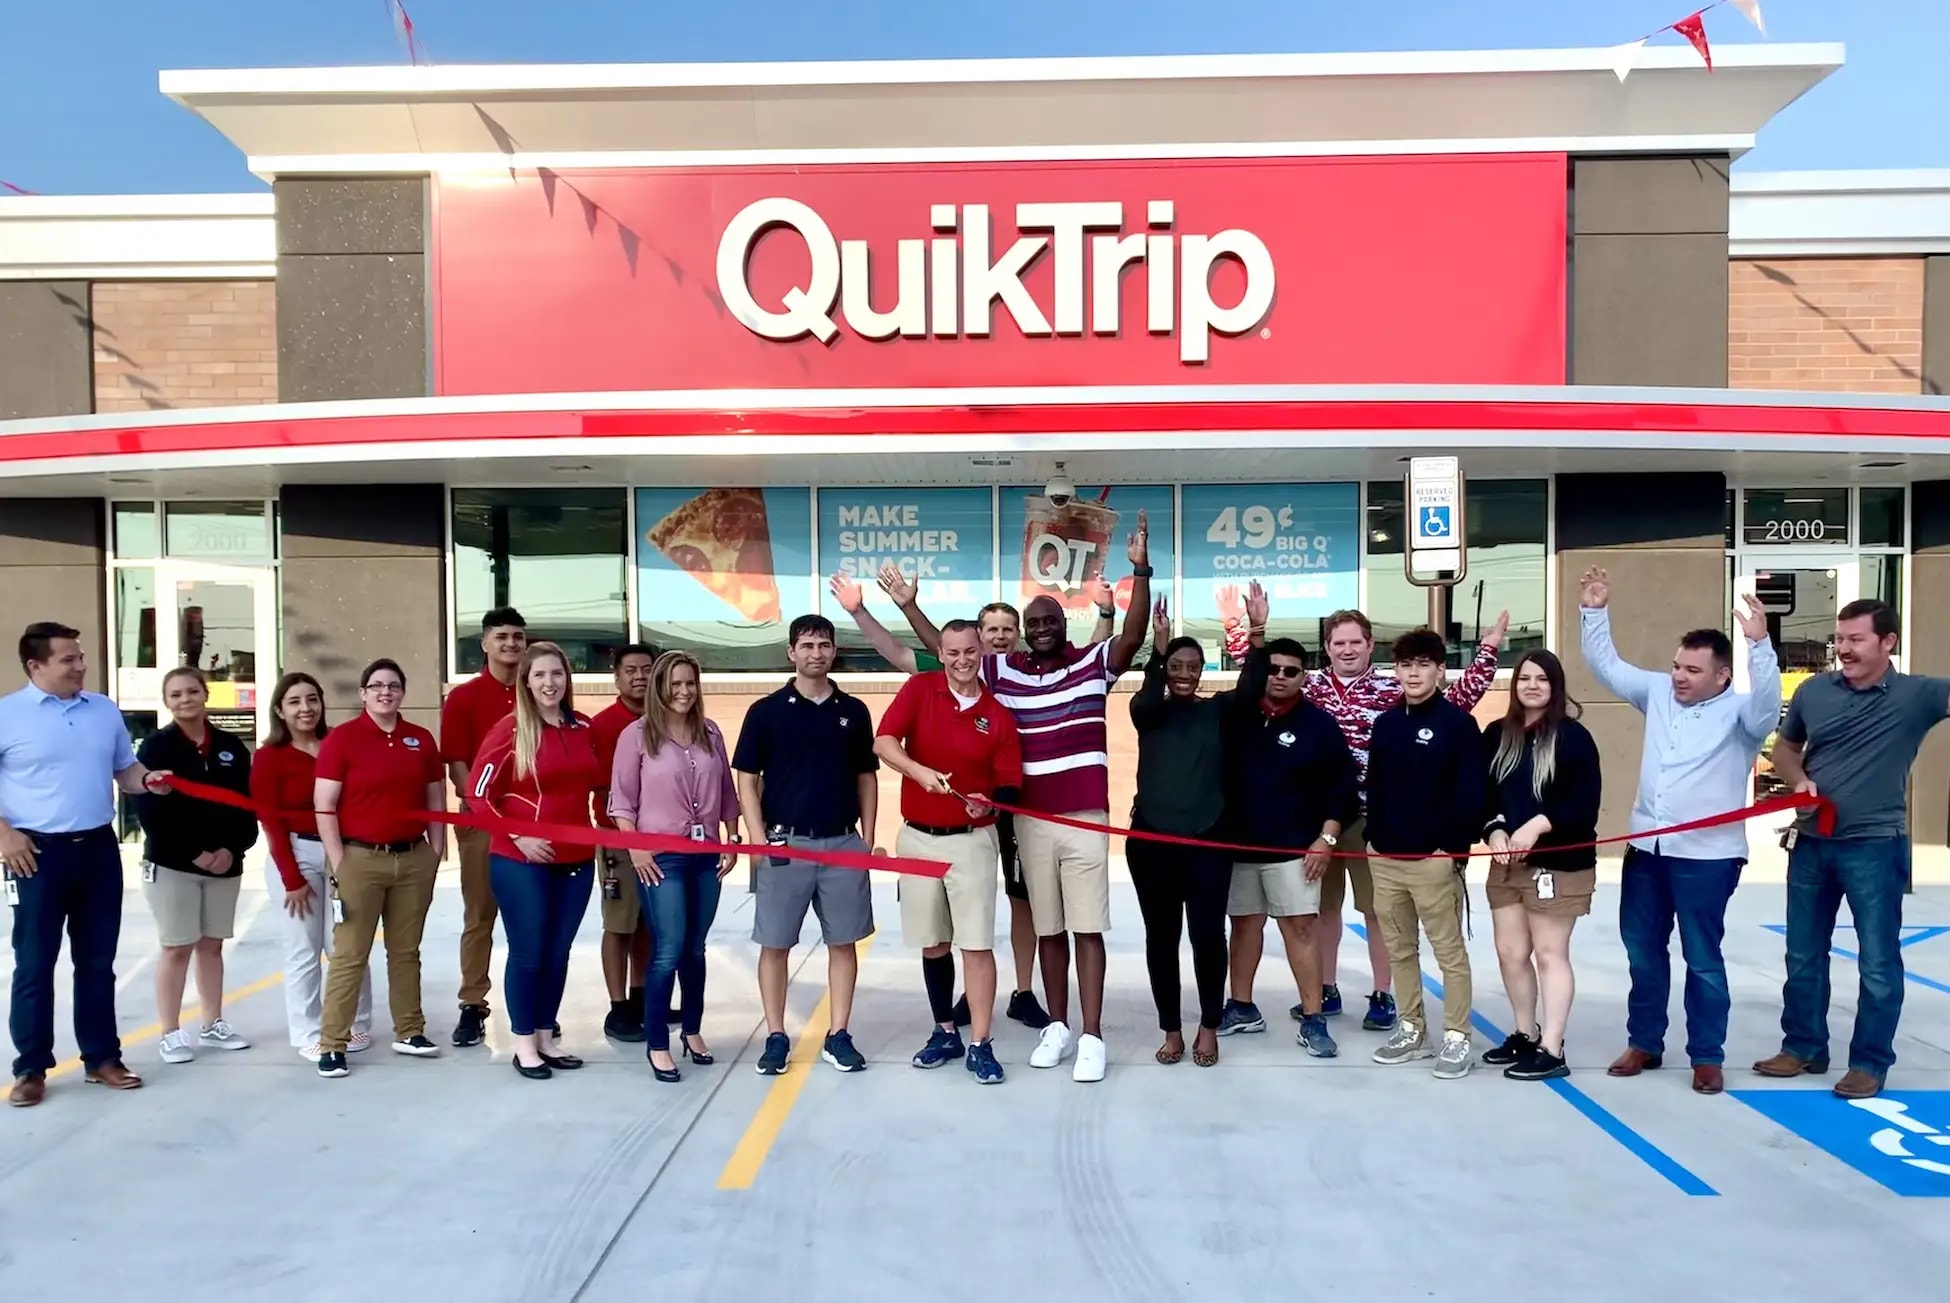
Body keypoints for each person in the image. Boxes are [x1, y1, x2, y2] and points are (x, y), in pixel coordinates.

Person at [886, 516, 1152, 1083]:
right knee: (1049, 928)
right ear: (1024, 632)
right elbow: (948, 650)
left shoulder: (1092, 663)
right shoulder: (1002, 671)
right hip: (1031, 821)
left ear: (1065, 624)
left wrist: (1141, 571)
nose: (1041, 629)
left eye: (1049, 620)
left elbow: (1131, 638)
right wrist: (910, 606)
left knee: (1087, 928)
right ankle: (1057, 1025)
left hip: (1085, 819)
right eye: (1034, 623)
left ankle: (1092, 1034)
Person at [843, 565, 1114, 1031]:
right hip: (969, 813)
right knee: (964, 917)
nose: (1000, 637)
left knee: (1025, 901)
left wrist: (1106, 614)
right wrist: (879, 609)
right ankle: (969, 998)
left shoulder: (1021, 675)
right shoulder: (962, 672)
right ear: (979, 639)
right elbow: (908, 650)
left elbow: (1093, 656)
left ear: (1018, 636)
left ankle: (1024, 991)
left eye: (1008, 629)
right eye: (992, 630)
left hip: (1018, 804)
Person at [1579, 568, 1777, 1095]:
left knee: (1702, 959)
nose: (1679, 677)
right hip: (1646, 851)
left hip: (1708, 859)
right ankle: (1644, 1041)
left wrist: (1760, 646)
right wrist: (1594, 612)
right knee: (1643, 952)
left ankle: (1707, 1056)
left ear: (1722, 676)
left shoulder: (1742, 714)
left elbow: (1767, 705)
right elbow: (1607, 666)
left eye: (1692, 670)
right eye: (1675, 666)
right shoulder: (1658, 693)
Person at [1758, 599, 1950, 1099]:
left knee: (1878, 961)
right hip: (1811, 844)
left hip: (1875, 848)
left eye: (1855, 640)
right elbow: (1786, 748)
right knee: (1802, 954)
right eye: (1839, 639)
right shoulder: (1814, 691)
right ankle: (1803, 1047)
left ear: (1888, 642)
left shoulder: (1919, 695)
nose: (1843, 649)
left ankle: (1869, 1062)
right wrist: (1798, 780)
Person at [1300, 607, 1506, 1032]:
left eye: (1355, 642)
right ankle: (1326, 988)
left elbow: (1457, 700)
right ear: (1327, 648)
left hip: (1376, 819)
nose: (1347, 650)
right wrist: (1243, 632)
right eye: (1339, 643)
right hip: (1322, 818)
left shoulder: (1393, 685)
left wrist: (1487, 651)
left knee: (1378, 913)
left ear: (1370, 645)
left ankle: (1382, 994)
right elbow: (1265, 679)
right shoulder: (1311, 687)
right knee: (1323, 910)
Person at [3, 622, 169, 1106]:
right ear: (35, 666)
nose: (81, 665)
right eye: (69, 659)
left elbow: (125, 769)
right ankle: (31, 1068)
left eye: (80, 657)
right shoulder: (7, 714)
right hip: (34, 855)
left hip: (98, 849)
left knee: (97, 962)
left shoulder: (102, 710)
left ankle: (101, 1058)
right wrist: (5, 836)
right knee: (34, 964)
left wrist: (148, 780)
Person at [873, 618, 1024, 1085]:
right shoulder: (920, 690)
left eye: (970, 652)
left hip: (972, 842)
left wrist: (989, 803)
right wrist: (916, 770)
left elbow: (1009, 784)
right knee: (934, 942)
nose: (962, 661)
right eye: (953, 652)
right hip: (918, 838)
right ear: (940, 654)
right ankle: (944, 1031)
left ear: (982, 653)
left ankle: (980, 1042)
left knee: (976, 945)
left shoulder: (997, 715)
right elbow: (883, 742)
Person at [733, 615, 880, 1076]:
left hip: (841, 843)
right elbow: (746, 779)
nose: (816, 653)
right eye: (807, 645)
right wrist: (758, 839)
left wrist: (868, 838)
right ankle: (776, 1035)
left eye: (824, 645)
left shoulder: (853, 711)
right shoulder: (766, 711)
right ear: (791, 652)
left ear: (834, 651)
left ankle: (839, 1034)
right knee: (775, 944)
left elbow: (866, 776)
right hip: (785, 843)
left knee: (843, 942)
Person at [1128, 591, 1268, 1068]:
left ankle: (1209, 1026)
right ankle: (1172, 1029)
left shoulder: (1219, 711)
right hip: (1152, 842)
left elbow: (1251, 688)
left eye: (1193, 666)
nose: (1184, 674)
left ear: (1203, 670)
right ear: (1165, 670)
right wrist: (1158, 646)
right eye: (1176, 666)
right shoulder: (1148, 711)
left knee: (1207, 936)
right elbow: (1148, 697)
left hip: (1208, 840)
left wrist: (1256, 631)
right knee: (1161, 938)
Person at [1217, 636, 1359, 1059]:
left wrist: (1326, 839)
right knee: (1244, 927)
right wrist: (1254, 634)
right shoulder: (1235, 715)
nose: (1279, 677)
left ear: (1303, 677)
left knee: (1300, 930)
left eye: (1290, 671)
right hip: (1241, 848)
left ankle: (1313, 1018)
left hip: (1296, 851)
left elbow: (1342, 789)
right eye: (1272, 669)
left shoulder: (1320, 726)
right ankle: (1242, 1007)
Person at [467, 641, 601, 1080]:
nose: (549, 683)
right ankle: (523, 1043)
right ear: (526, 682)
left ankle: (546, 1037)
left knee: (558, 952)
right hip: (521, 861)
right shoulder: (509, 730)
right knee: (528, 952)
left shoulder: (582, 727)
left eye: (557, 673)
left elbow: (598, 785)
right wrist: (518, 836)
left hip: (576, 859)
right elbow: (477, 795)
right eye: (540, 675)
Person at [609, 650, 741, 1083]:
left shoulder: (710, 732)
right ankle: (657, 1044)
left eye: (690, 684)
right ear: (659, 688)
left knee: (695, 948)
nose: (684, 692)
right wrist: (636, 849)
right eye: (675, 684)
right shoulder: (636, 735)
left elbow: (726, 790)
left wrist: (731, 836)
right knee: (668, 948)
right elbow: (622, 801)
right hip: (659, 857)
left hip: (706, 855)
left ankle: (692, 1029)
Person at [313, 657, 447, 1079]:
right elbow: (324, 805)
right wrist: (339, 860)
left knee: (406, 952)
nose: (385, 692)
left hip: (412, 859)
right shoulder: (343, 740)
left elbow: (435, 798)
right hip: (360, 860)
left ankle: (410, 1031)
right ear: (363, 693)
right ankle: (332, 1044)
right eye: (376, 686)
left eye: (393, 685)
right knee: (350, 954)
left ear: (402, 692)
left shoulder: (420, 739)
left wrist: (436, 851)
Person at [1364, 628, 1487, 1079]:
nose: (1413, 674)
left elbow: (1471, 795)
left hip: (1433, 862)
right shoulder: (1386, 724)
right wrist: (1373, 841)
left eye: (1422, 665)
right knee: (1400, 950)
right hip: (1385, 859)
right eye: (1405, 665)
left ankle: (1457, 1036)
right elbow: (1375, 787)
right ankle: (1412, 1028)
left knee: (1449, 954)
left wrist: (1450, 850)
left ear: (1439, 670)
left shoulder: (1458, 725)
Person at [1478, 650, 1602, 1082]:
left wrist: (1538, 824)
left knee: (1550, 954)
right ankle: (1524, 1034)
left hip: (1559, 865)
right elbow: (1484, 795)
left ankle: (1552, 1047)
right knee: (1511, 953)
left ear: (1556, 686)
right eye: (1524, 678)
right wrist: (1494, 830)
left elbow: (1583, 802)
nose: (1532, 686)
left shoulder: (1573, 737)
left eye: (1542, 679)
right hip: (1507, 865)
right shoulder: (1498, 734)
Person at [134, 666, 259, 1065]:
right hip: (174, 865)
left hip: (225, 865)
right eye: (176, 694)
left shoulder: (231, 746)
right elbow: (149, 810)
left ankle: (213, 1023)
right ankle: (170, 1032)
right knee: (176, 947)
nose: (185, 699)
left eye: (192, 691)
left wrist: (233, 850)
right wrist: (195, 853)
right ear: (166, 702)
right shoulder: (156, 747)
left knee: (212, 946)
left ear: (205, 694)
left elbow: (246, 804)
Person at [253, 671, 374, 1061]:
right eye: (294, 702)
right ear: (279, 710)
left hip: (345, 852)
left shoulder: (340, 743)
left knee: (348, 945)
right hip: (297, 855)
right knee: (303, 949)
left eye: (312, 699)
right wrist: (291, 878)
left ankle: (355, 1023)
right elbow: (271, 821)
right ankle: (308, 1032)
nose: (305, 708)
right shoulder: (269, 757)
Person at [440, 606, 527, 1049]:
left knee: (529, 919)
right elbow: (456, 763)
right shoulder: (464, 698)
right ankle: (473, 1004)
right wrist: (482, 806)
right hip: (481, 824)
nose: (510, 644)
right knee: (479, 916)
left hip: (532, 826)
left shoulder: (537, 691)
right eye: (502, 637)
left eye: (517, 637)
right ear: (485, 644)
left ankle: (533, 1009)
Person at [590, 644, 659, 1042]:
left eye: (647, 669)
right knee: (620, 925)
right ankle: (618, 1009)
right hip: (619, 841)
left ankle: (642, 998)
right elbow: (603, 786)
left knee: (649, 924)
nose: (639, 677)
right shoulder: (603, 725)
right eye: (630, 670)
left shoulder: (666, 719)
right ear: (616, 677)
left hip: (662, 841)